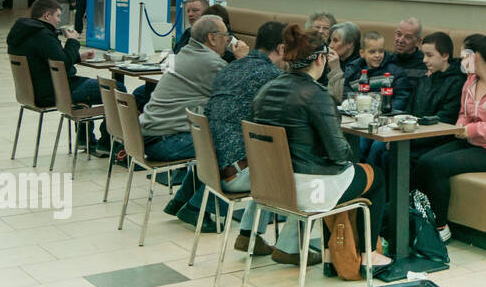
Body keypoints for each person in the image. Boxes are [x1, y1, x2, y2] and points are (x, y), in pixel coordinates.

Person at [251, 25, 389, 273]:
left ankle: (329, 256)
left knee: (341, 176)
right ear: (321, 59)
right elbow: (339, 153)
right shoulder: (317, 95)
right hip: (308, 191)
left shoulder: (264, 91)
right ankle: (368, 255)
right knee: (375, 176)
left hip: (269, 187)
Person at [140, 15, 250, 230]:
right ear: (212, 38)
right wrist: (244, 60)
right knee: (226, 145)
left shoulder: (186, 53)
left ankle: (182, 201)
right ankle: (199, 208)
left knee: (212, 138)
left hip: (154, 135)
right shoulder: (209, 62)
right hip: (166, 142)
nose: (229, 40)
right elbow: (240, 93)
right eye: (226, 36)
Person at [201, 21, 295, 260]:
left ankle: (248, 234)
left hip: (213, 168)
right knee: (302, 169)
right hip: (236, 173)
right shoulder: (271, 76)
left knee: (269, 160)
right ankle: (289, 248)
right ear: (282, 49)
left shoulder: (230, 68)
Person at [414, 34, 486, 241]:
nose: (461, 62)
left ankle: (440, 227)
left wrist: (471, 130)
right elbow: (464, 114)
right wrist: (461, 126)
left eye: (464, 57)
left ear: (477, 56)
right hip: (471, 143)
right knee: (424, 161)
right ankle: (420, 217)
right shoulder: (471, 81)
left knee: (438, 166)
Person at [7, 0, 122, 151]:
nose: (59, 21)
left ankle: (85, 139)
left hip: (34, 91)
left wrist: (78, 57)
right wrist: (73, 41)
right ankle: (106, 143)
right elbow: (62, 62)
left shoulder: (22, 34)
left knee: (90, 91)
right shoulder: (42, 35)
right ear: (47, 16)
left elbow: (52, 59)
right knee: (116, 89)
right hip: (56, 91)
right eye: (58, 16)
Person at [349, 32, 408, 170]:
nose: (377, 55)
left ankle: (372, 180)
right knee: (359, 144)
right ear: (362, 53)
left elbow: (402, 98)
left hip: (386, 122)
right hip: (361, 121)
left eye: (381, 51)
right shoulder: (354, 71)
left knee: (376, 147)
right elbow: (348, 96)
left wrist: (384, 113)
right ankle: (356, 176)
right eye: (372, 51)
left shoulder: (395, 72)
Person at [390, 17, 428, 88]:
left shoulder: (425, 64)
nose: (400, 40)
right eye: (399, 34)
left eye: (407, 37)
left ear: (418, 42)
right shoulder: (388, 60)